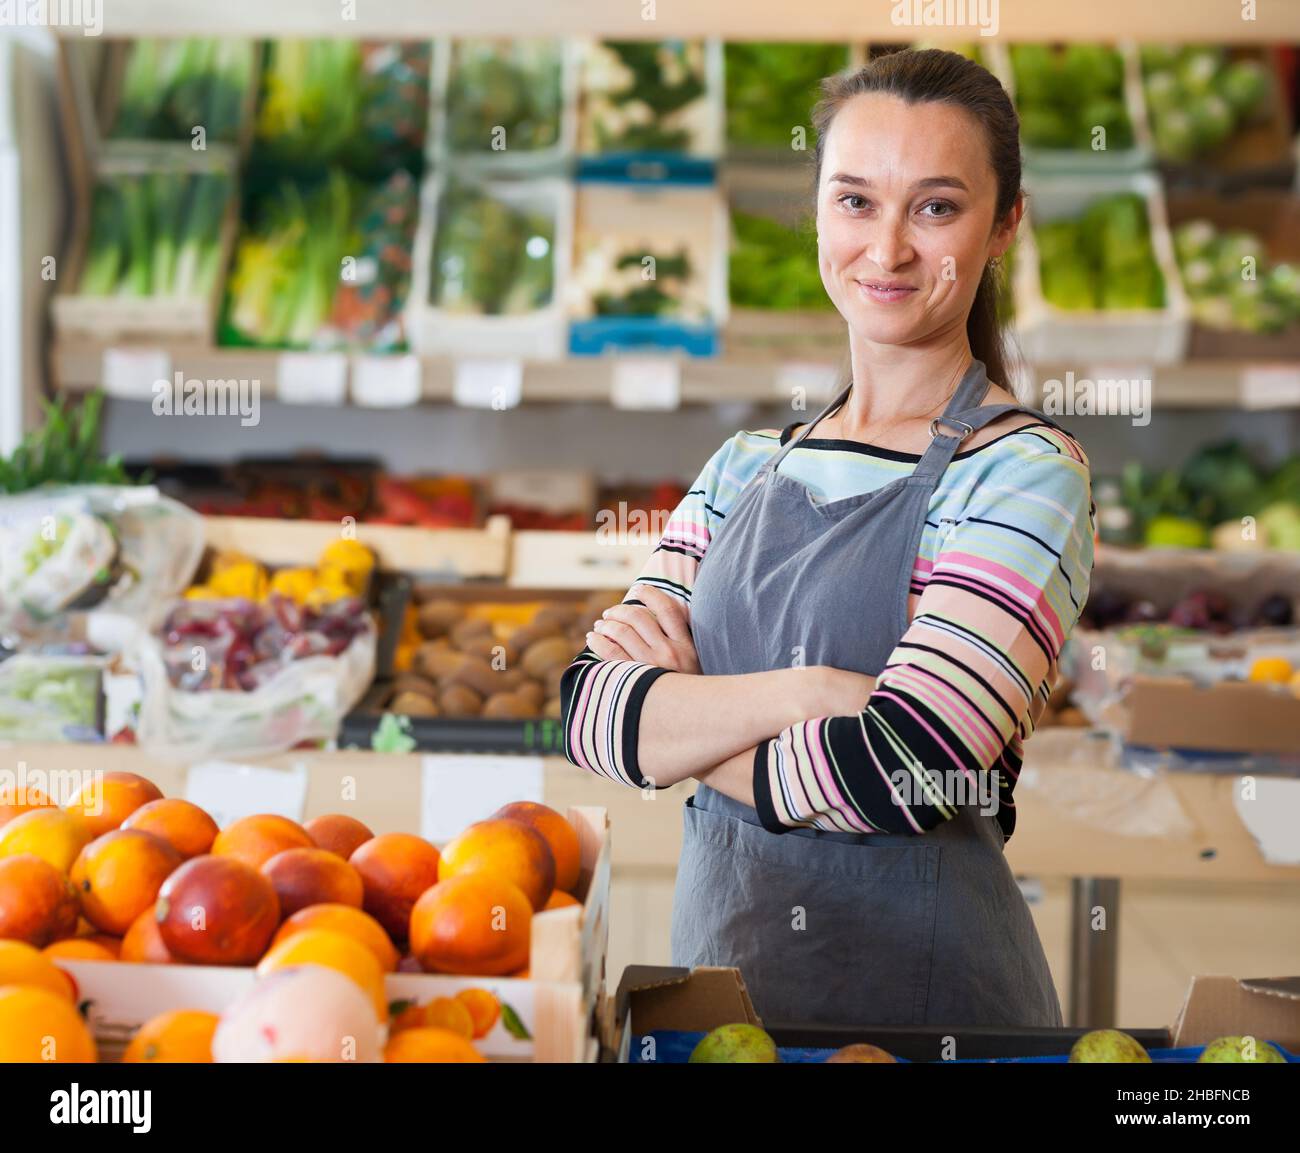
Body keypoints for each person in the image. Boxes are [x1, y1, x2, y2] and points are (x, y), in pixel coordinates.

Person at [560, 48, 1095, 1028]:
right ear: (815, 210)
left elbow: (903, 770)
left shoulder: (1022, 473)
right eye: (854, 200)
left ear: (1003, 224)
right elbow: (589, 716)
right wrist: (812, 697)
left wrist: (677, 731)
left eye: (935, 207)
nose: (885, 249)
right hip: (723, 1014)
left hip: (934, 1020)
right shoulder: (741, 465)